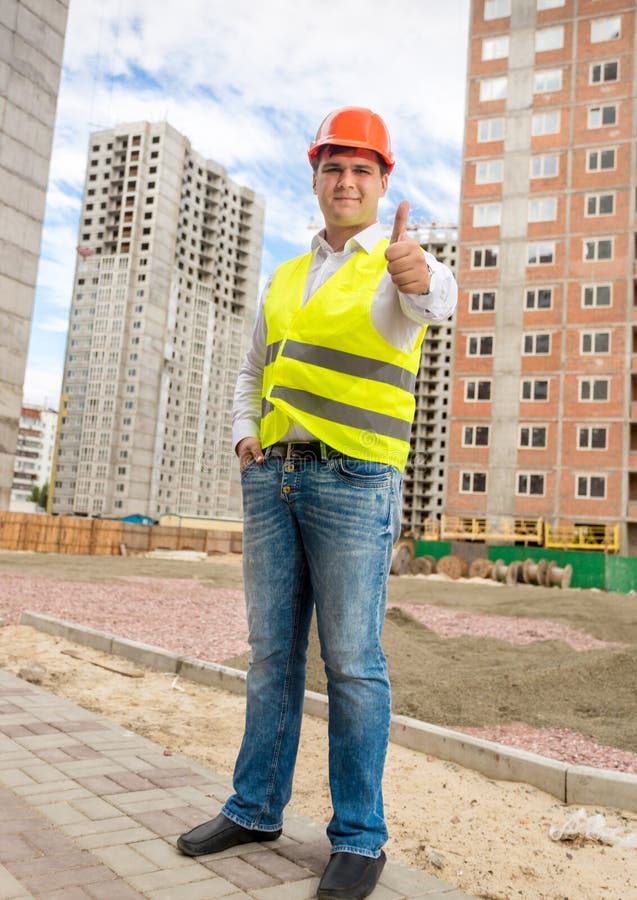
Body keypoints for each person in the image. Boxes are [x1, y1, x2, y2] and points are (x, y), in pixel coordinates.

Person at [177, 106, 457, 899]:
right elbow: (250, 369)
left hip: (354, 483)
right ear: (314, 175)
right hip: (273, 480)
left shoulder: (397, 265)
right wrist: (242, 437)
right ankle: (254, 808)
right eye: (333, 167)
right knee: (271, 658)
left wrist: (421, 274)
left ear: (382, 181)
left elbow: (438, 300)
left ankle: (359, 838)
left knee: (353, 665)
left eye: (361, 169)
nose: (346, 181)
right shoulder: (287, 275)